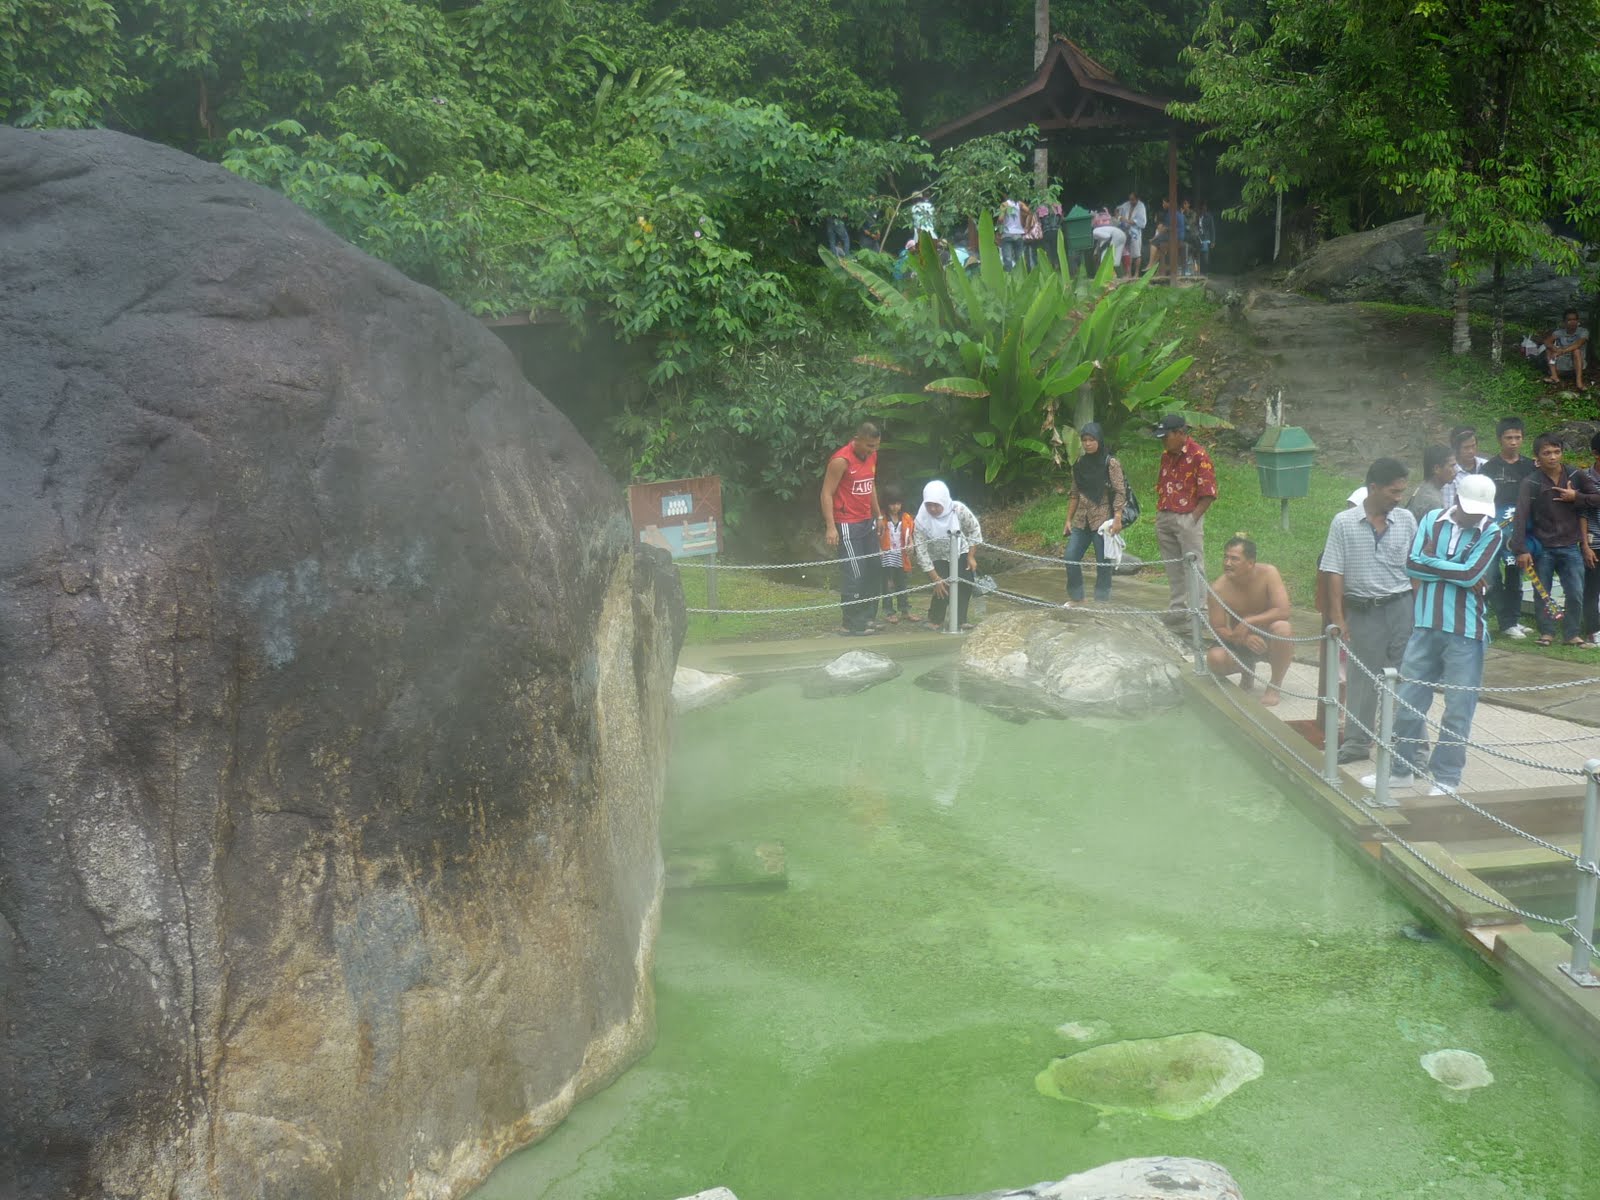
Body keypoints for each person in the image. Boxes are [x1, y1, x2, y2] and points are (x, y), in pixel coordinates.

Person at [1364, 473, 1505, 797]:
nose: (1476, 516)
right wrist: (1452, 567)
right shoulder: (1431, 519)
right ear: (1457, 501)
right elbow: (1411, 567)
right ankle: (1401, 770)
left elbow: (1471, 574)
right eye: (1471, 509)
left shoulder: (1492, 531)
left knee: (1458, 709)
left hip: (1466, 632)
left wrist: (1431, 561)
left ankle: (1447, 777)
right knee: (1407, 702)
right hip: (1425, 626)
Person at [1321, 458, 1418, 764]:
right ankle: (1356, 744)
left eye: (1402, 491)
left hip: (1401, 606)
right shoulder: (1343, 522)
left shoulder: (1406, 520)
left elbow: (1416, 568)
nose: (1399, 497)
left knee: (1406, 678)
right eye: (1394, 491)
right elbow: (1333, 572)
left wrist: (1418, 611)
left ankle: (1408, 748)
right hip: (1363, 611)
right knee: (1362, 679)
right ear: (1373, 488)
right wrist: (1338, 618)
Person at [1511, 431, 1600, 647]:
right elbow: (1520, 516)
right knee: (1543, 593)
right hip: (1543, 546)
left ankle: (1571, 633)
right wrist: (1521, 549)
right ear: (1537, 457)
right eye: (1547, 453)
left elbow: (1597, 497)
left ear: (1562, 453)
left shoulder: (1575, 475)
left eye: (1556, 451)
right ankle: (1547, 632)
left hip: (1571, 546)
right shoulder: (1531, 482)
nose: (1552, 457)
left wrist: (1576, 497)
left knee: (1576, 592)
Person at [1205, 535, 1294, 706]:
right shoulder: (1218, 589)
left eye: (1234, 559)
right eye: (1225, 557)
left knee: (1283, 627)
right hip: (1239, 640)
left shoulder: (1269, 573)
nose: (1227, 563)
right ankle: (1247, 671)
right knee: (1215, 658)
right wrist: (1242, 638)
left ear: (1250, 563)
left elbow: (1283, 610)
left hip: (1269, 637)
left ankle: (1274, 685)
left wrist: (1248, 621)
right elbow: (1218, 627)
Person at [821, 422, 884, 635]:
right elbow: (826, 493)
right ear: (857, 440)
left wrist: (878, 515)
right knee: (855, 571)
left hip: (867, 520)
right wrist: (831, 526)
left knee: (874, 567)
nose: (872, 450)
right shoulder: (841, 460)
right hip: (848, 523)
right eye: (869, 446)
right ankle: (851, 623)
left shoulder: (872, 456)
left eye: (876, 446)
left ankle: (867, 617)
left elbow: (870, 484)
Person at [1152, 413, 1217, 619]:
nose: (1163, 441)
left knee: (1193, 565)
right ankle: (1178, 608)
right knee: (1172, 565)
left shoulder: (1199, 455)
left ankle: (1199, 610)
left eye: (1166, 436)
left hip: (1187, 516)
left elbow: (1208, 493)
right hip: (1165, 515)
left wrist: (1192, 519)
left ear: (1180, 433)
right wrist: (1161, 515)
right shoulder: (1166, 455)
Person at [1061, 422, 1128, 605]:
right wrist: (1068, 520)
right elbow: (1074, 494)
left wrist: (1117, 518)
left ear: (1099, 440)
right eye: (1084, 440)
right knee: (1070, 557)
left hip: (1102, 520)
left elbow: (1120, 491)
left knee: (1103, 564)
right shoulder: (1079, 464)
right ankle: (1077, 598)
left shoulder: (1110, 463)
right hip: (1081, 520)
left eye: (1092, 440)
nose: (1088, 444)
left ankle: (1101, 602)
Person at [1481, 417, 1535, 639]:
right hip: (1493, 529)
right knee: (1493, 577)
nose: (1513, 442)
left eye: (1517, 437)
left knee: (1515, 574)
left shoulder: (1530, 466)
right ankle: (1503, 620)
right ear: (1499, 439)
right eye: (1508, 437)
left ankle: (1512, 620)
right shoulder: (1488, 468)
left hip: (1519, 530)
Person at [913, 481, 982, 631]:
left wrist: (971, 556)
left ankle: (960, 619)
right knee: (942, 586)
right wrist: (935, 578)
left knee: (965, 583)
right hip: (936, 556)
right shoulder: (921, 520)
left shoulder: (958, 509)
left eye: (936, 505)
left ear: (944, 501)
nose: (932, 509)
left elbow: (974, 529)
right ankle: (935, 619)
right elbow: (921, 550)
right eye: (929, 505)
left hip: (960, 550)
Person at [877, 485, 915, 624]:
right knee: (887, 585)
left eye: (898, 504)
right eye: (892, 504)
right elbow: (875, 535)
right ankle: (889, 612)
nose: (895, 507)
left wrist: (911, 544)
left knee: (902, 584)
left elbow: (910, 534)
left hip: (901, 556)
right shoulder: (881, 518)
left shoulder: (906, 517)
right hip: (886, 556)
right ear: (886, 503)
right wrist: (878, 549)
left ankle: (905, 610)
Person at [1579, 431, 1600, 646]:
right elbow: (1582, 514)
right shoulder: (1584, 478)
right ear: (1595, 453)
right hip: (1594, 544)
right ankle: (1593, 631)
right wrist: (1585, 545)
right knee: (1591, 589)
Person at [1440, 425, 1487, 513]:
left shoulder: (1486, 465)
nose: (1471, 451)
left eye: (1473, 446)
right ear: (1456, 449)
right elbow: (1448, 508)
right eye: (1466, 447)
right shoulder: (1450, 473)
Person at [1543, 309, 1589, 389]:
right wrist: (1555, 349)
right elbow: (1547, 342)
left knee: (1576, 351)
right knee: (1549, 349)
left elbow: (1578, 344)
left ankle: (1579, 382)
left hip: (1576, 364)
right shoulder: (1559, 332)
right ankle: (1554, 377)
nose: (1572, 322)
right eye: (1569, 320)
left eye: (1574, 319)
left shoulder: (1583, 331)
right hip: (1561, 365)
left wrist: (1561, 351)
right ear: (1564, 322)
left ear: (1578, 321)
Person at [1408, 445, 1456, 520]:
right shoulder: (1432, 501)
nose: (1455, 470)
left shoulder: (1424, 487)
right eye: (1451, 466)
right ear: (1437, 469)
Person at [1116, 191, 1147, 274]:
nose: (1131, 201)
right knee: (1126, 252)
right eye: (1130, 199)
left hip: (1135, 232)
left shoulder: (1141, 207)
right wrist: (1118, 215)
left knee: (1136, 253)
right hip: (1125, 231)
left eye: (1133, 199)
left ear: (1137, 199)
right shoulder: (1126, 204)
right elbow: (1117, 210)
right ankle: (1128, 274)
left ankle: (1136, 274)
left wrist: (1125, 220)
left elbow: (1140, 221)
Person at [1090, 207, 1127, 272]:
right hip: (1122, 235)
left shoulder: (1095, 231)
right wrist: (1097, 249)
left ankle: (1109, 274)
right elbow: (1101, 240)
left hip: (1114, 236)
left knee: (1105, 258)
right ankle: (1118, 274)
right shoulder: (1104, 227)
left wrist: (1101, 248)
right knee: (1115, 261)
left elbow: (1107, 237)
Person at [997, 198, 1026, 271]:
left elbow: (1000, 219)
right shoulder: (1019, 203)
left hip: (1007, 234)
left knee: (1008, 258)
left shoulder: (1004, 204)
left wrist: (998, 227)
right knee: (1020, 258)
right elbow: (1028, 212)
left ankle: (1009, 274)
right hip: (1018, 233)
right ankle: (1020, 274)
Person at [1021, 200, 1044, 270]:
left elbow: (1029, 226)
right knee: (1033, 254)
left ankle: (1032, 270)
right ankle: (1035, 269)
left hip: (1028, 237)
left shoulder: (1028, 214)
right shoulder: (1034, 213)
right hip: (1035, 236)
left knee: (1029, 254)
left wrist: (1024, 231)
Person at [1195, 202, 1216, 274]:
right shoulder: (1197, 216)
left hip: (1206, 239)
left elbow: (1212, 229)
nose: (1203, 209)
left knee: (1205, 257)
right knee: (1197, 256)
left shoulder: (1209, 217)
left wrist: (1213, 241)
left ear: (1206, 208)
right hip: (1197, 238)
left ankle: (1205, 273)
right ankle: (1199, 273)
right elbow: (1194, 226)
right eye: (1201, 208)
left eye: (1204, 208)